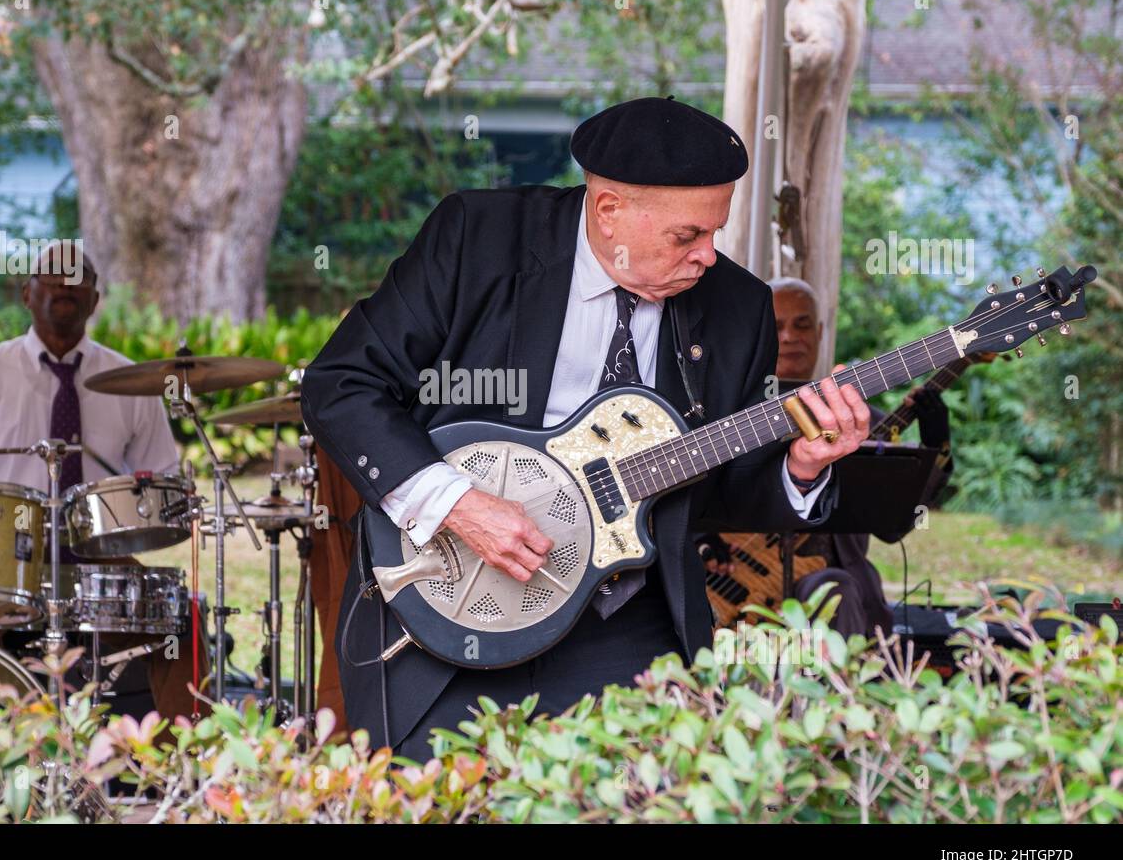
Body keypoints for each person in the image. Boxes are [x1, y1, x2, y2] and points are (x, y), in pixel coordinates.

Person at [301, 97, 871, 760]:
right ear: (609, 213)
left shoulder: (738, 308)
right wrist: (458, 503)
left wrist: (800, 467)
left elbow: (723, 491)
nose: (708, 257)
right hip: (449, 601)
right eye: (687, 236)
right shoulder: (478, 242)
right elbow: (341, 383)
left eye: (716, 232)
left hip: (622, 626)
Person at [0, 243, 204, 721]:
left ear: (95, 298)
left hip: (94, 557)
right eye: (52, 276)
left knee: (181, 622)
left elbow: (162, 474)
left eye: (77, 276)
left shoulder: (128, 381)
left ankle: (181, 768)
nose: (65, 285)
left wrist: (164, 496)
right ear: (27, 293)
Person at [700, 277, 953, 638]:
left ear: (820, 332)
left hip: (835, 591)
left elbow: (894, 526)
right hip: (736, 586)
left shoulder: (863, 421)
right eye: (776, 326)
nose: (789, 337)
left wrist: (937, 443)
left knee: (835, 590)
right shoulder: (727, 418)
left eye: (802, 324)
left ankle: (839, 694)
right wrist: (703, 540)